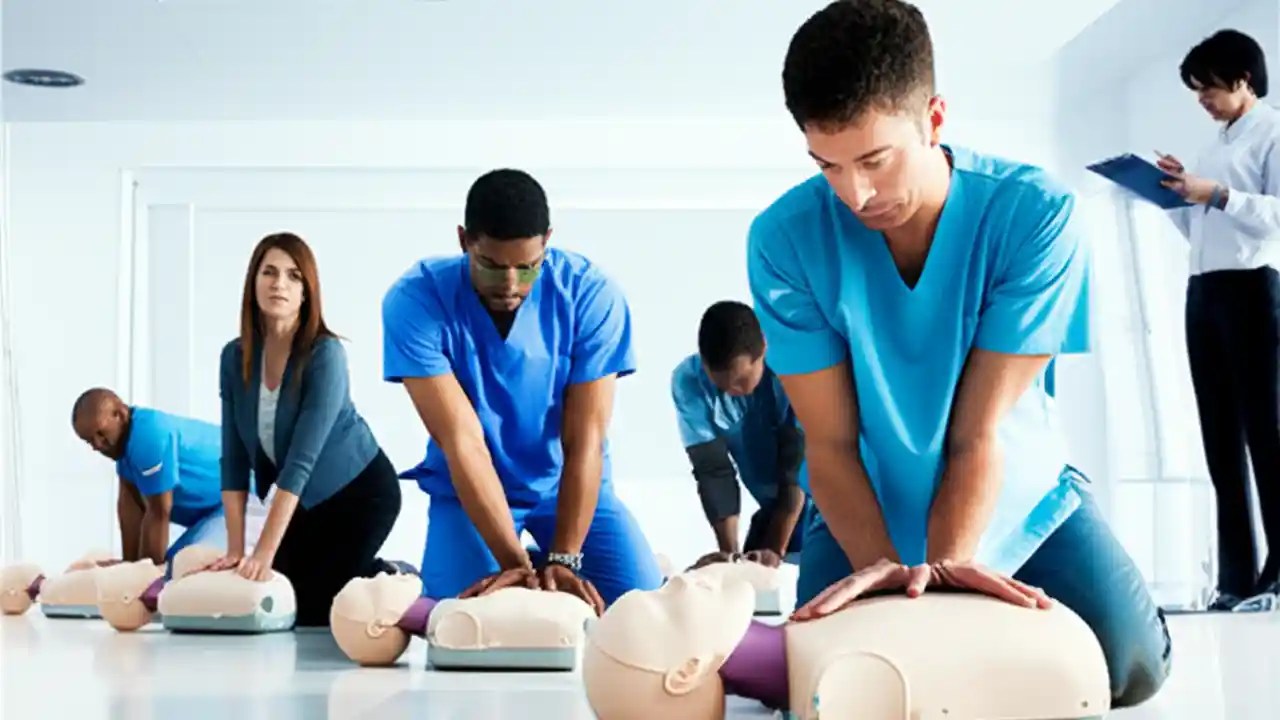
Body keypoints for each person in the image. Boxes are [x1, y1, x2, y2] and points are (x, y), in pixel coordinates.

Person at [745, 0, 1169, 708]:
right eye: (828, 165)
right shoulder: (783, 240)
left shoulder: (1036, 215)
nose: (855, 193)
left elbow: (980, 432)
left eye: (875, 160)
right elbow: (830, 441)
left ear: (934, 120)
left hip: (1015, 492)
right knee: (818, 689)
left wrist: (944, 572)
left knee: (1129, 670)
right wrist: (886, 571)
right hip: (863, 500)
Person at [381, 168, 662, 614]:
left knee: (641, 605)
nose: (511, 285)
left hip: (565, 484)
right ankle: (475, 563)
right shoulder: (416, 300)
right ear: (464, 241)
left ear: (547, 241)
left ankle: (557, 558)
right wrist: (517, 567)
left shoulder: (592, 294)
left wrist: (565, 558)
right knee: (462, 611)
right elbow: (463, 442)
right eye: (492, 267)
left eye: (527, 266)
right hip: (469, 490)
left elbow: (585, 440)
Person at [208, 232, 403, 627]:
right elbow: (233, 459)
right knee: (284, 599)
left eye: (294, 276)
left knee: (315, 610)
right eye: (269, 272)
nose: (279, 283)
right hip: (305, 506)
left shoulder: (325, 354)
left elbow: (300, 463)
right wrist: (235, 550)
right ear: (253, 284)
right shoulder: (235, 357)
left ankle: (393, 576)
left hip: (359, 496)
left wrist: (262, 552)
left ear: (306, 293)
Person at [1155, 29, 1280, 612]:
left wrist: (1220, 194)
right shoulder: (1214, 146)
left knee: (1268, 437)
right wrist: (1181, 197)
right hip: (1203, 291)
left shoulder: (1273, 131)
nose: (1201, 98)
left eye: (1207, 87)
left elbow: (1274, 219)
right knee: (1219, 441)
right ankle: (1236, 580)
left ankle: (1277, 579)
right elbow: (1202, 228)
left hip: (1254, 290)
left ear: (1243, 80)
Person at [671, 300, 810, 569]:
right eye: (720, 382)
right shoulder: (688, 381)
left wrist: (774, 551)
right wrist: (730, 557)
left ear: (764, 352)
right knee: (744, 575)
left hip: (820, 502)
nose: (731, 390)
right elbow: (713, 471)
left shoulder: (792, 367)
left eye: (742, 380)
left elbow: (796, 466)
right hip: (772, 509)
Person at [72, 388, 225, 573]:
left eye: (101, 434)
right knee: (171, 570)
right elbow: (131, 511)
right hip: (211, 512)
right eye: (89, 441)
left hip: (245, 501)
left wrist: (143, 574)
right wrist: (129, 566)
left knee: (182, 572)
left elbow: (159, 511)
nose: (97, 445)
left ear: (119, 414)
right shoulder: (124, 451)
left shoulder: (149, 436)